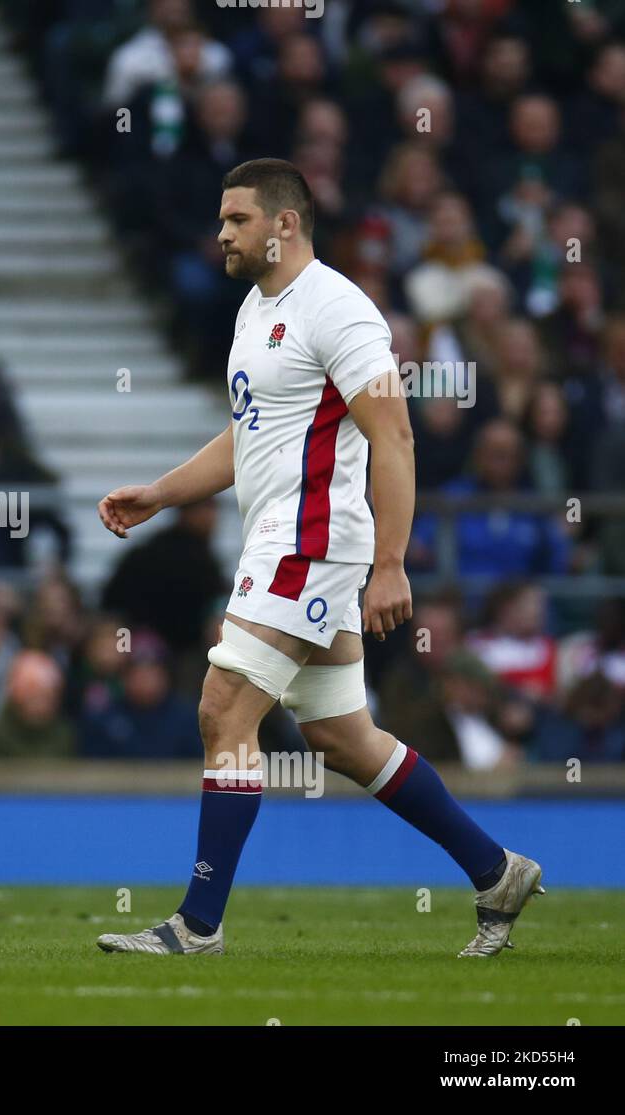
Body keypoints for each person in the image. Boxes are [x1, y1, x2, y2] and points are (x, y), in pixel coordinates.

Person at [94, 159, 543, 960]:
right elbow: (250, 432)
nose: (222, 234)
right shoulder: (255, 309)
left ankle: (197, 925)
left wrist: (393, 561)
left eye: (236, 220)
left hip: (313, 540)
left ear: (284, 224)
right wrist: (164, 492)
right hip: (285, 538)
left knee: (224, 704)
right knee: (342, 735)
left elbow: (394, 433)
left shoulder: (339, 308)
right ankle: (495, 869)